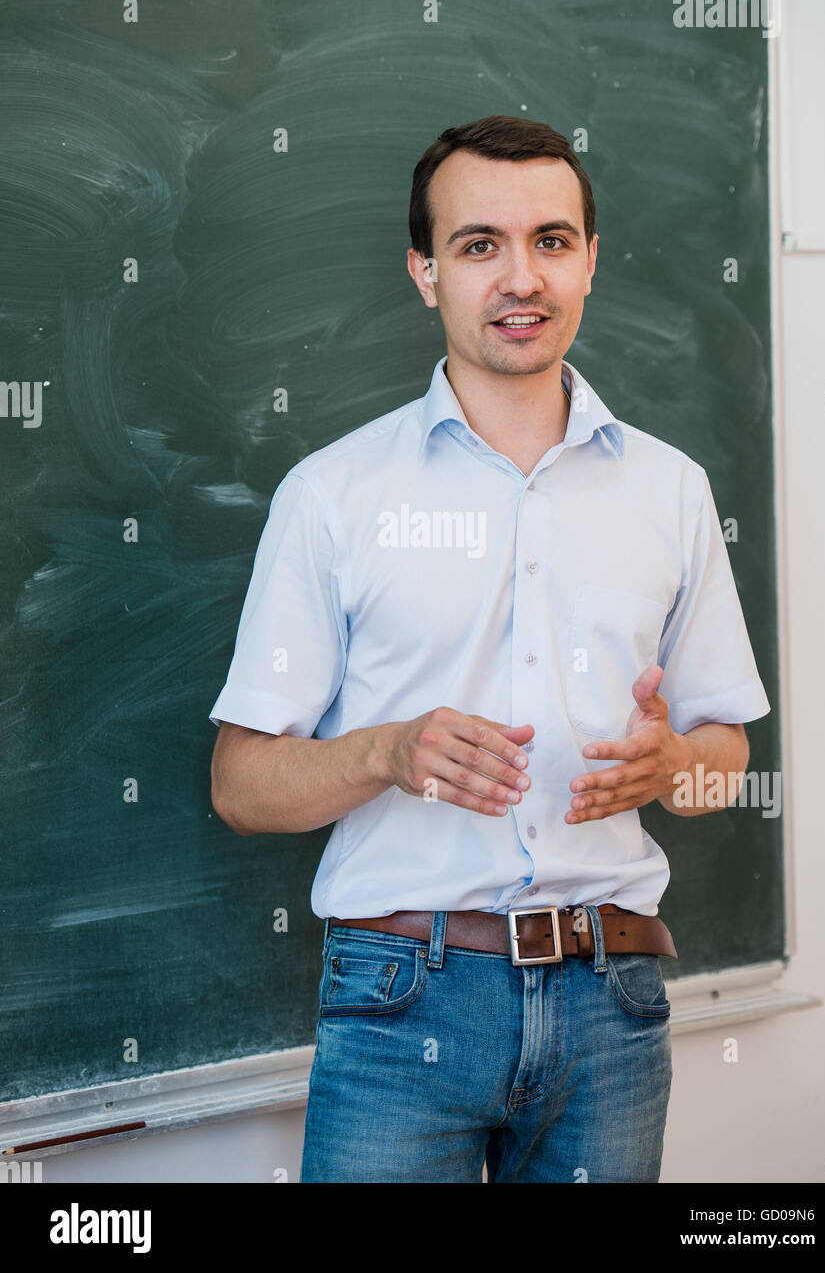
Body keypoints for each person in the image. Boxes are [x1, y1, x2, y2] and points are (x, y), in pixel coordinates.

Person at [208, 114, 770, 1183]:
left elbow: (724, 759)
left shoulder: (672, 490)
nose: (522, 277)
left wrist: (677, 766)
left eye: (551, 241)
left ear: (591, 263)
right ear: (425, 273)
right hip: (399, 996)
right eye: (479, 246)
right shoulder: (334, 495)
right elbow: (241, 785)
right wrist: (386, 752)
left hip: (613, 997)